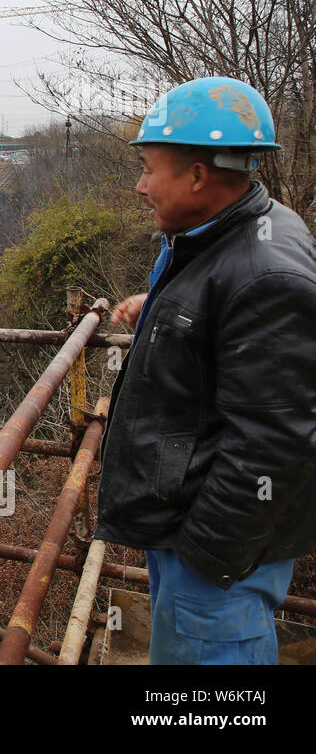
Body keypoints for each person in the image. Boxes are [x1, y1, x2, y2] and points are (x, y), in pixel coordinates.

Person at [95, 76, 316, 665]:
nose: (141, 186)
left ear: (197, 175)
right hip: (192, 530)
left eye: (148, 168)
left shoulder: (263, 273)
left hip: (216, 558)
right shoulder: (225, 233)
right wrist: (162, 306)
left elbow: (275, 441)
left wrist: (205, 555)